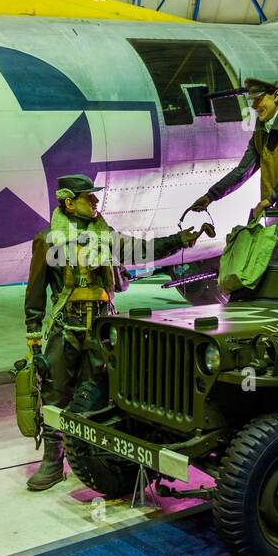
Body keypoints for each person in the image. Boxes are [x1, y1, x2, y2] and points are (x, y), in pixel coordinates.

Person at [23, 174, 205, 490]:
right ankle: (53, 460)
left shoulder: (105, 236)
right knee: (53, 393)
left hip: (101, 331)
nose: (95, 201)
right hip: (67, 328)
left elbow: (141, 250)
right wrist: (34, 339)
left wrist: (179, 240)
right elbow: (35, 292)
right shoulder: (49, 240)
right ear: (69, 202)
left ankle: (96, 457)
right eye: (88, 197)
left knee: (101, 393)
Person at [189, 77, 278, 266]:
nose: (255, 106)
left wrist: (268, 200)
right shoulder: (261, 133)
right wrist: (211, 196)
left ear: (276, 96)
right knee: (275, 261)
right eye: (253, 102)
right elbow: (243, 170)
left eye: (259, 100)